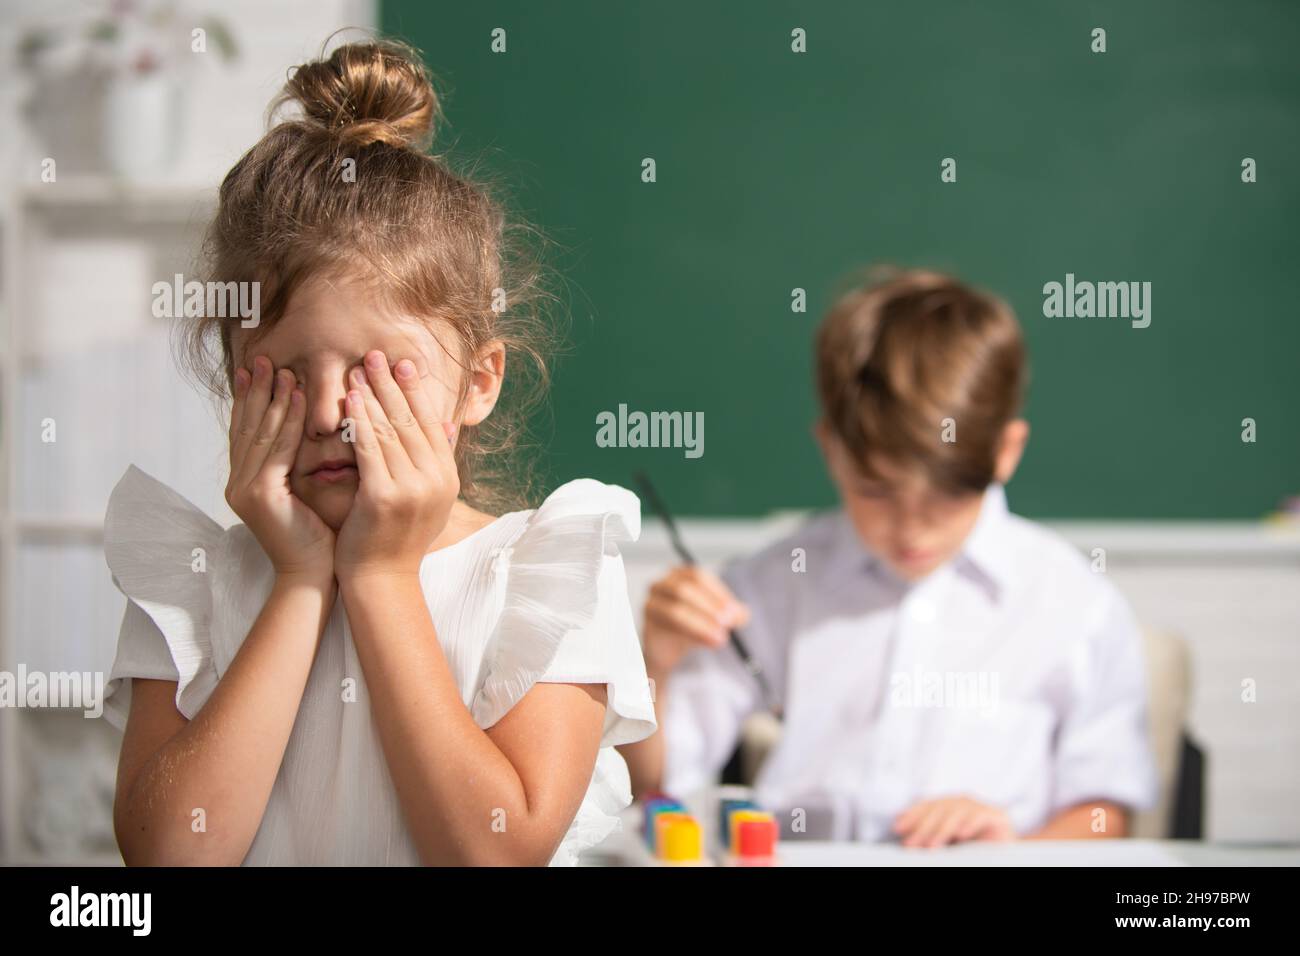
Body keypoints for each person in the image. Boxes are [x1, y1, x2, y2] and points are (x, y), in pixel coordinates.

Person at [100, 38, 656, 866]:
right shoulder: (193, 582)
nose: (329, 411)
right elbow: (170, 857)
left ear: (477, 382)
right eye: (285, 373)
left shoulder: (551, 571)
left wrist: (380, 577)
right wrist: (295, 582)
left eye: (375, 372)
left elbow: (496, 854)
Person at [619, 269, 1158, 846]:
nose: (912, 526)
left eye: (949, 494)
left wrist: (1014, 850)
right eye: (877, 491)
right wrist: (656, 665)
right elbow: (649, 787)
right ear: (831, 449)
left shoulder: (1076, 602)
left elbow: (1105, 816)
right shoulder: (775, 584)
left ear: (1006, 451)